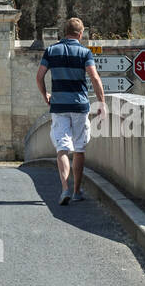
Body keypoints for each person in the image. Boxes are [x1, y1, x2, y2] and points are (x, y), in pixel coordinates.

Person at [36, 18, 106, 205]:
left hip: (59, 106)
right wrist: (102, 102)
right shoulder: (85, 52)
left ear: (64, 32)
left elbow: (39, 76)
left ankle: (65, 188)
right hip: (80, 105)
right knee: (79, 149)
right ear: (80, 34)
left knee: (62, 149)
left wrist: (45, 95)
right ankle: (76, 191)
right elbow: (94, 77)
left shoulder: (51, 51)